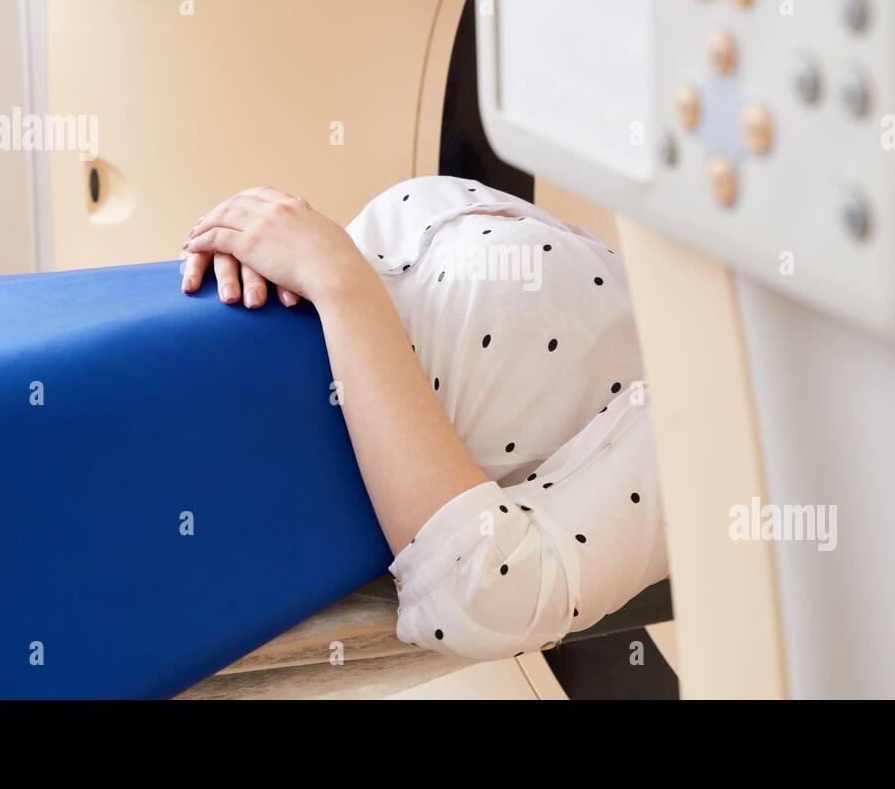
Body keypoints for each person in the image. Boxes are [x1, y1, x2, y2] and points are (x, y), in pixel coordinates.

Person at [181, 175, 667, 660]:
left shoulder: (706, 421)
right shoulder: (633, 273)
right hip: (185, 326)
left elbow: (492, 600)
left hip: (220, 438)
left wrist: (339, 280)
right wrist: (251, 235)